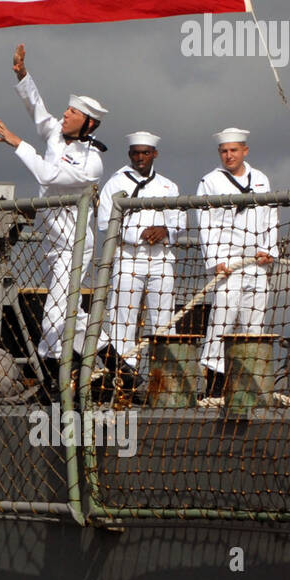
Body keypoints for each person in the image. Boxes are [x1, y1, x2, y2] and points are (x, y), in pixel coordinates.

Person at [0, 44, 106, 398]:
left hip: (75, 244)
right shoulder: (56, 135)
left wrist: (18, 144)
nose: (64, 115)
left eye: (72, 112)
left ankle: (60, 380)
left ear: (87, 123)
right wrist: (23, 75)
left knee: (57, 314)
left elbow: (51, 176)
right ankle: (113, 362)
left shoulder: (91, 163)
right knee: (68, 317)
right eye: (67, 109)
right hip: (53, 242)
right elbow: (37, 109)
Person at [96, 132, 183, 391]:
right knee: (123, 318)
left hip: (160, 258)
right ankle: (126, 377)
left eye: (146, 153)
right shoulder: (115, 183)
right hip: (129, 255)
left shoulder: (168, 186)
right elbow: (104, 222)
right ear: (130, 155)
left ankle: (165, 379)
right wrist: (137, 235)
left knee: (164, 319)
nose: (141, 157)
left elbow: (179, 220)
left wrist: (165, 230)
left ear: (154, 154)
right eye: (136, 153)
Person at [197, 128, 278, 396]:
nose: (228, 155)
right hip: (229, 262)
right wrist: (215, 260)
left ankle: (248, 384)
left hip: (256, 262)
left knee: (253, 324)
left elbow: (270, 218)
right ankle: (214, 386)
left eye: (233, 150)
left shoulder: (262, 180)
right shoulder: (210, 181)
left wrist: (270, 250)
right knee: (221, 320)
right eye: (224, 151)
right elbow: (205, 224)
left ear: (245, 151)